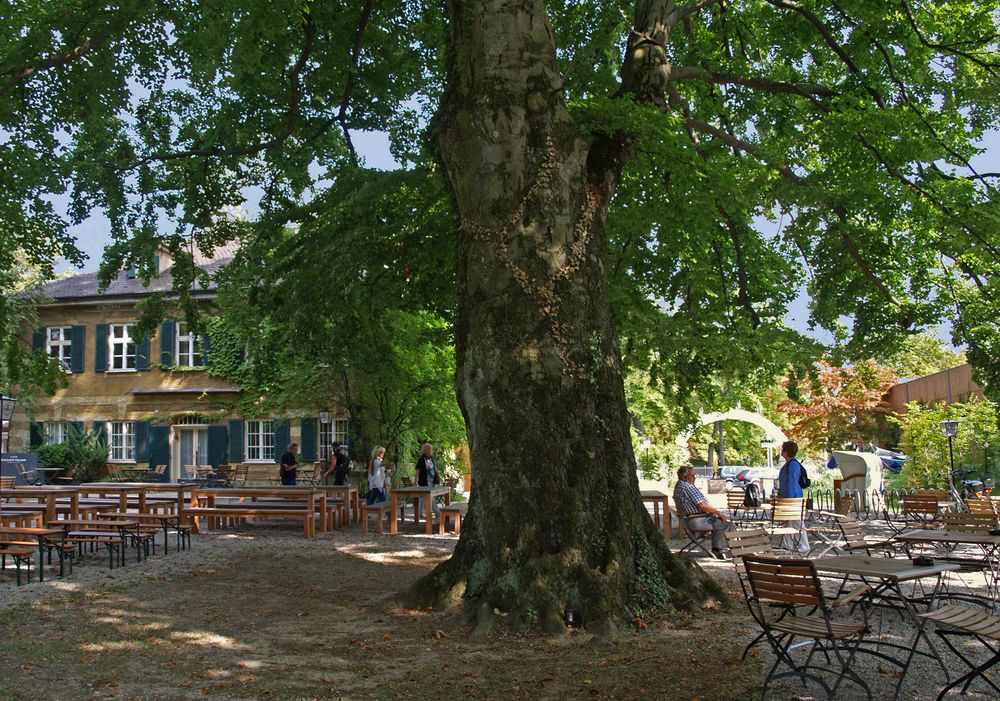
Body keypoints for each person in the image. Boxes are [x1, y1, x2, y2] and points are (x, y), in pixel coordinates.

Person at [672, 465, 730, 558]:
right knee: (725, 522)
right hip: (696, 521)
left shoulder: (679, 485)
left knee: (719, 521)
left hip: (688, 520)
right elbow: (702, 505)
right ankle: (724, 550)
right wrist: (719, 513)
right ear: (685, 476)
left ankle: (718, 548)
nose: (695, 477)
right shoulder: (688, 487)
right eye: (692, 475)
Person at [777, 440, 810, 553]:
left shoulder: (792, 465)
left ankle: (804, 545)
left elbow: (792, 483)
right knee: (790, 522)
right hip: (791, 498)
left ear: (787, 451)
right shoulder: (790, 464)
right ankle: (788, 544)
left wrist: (788, 500)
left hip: (793, 499)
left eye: (783, 449)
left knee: (796, 522)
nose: (781, 451)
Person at [415, 442, 440, 520]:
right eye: (429, 449)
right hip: (424, 481)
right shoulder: (421, 460)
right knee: (430, 497)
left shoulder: (432, 459)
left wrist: (437, 476)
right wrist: (415, 481)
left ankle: (419, 513)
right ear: (425, 450)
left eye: (431, 449)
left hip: (432, 482)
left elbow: (435, 469)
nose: (431, 450)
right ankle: (437, 512)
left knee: (422, 498)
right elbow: (418, 470)